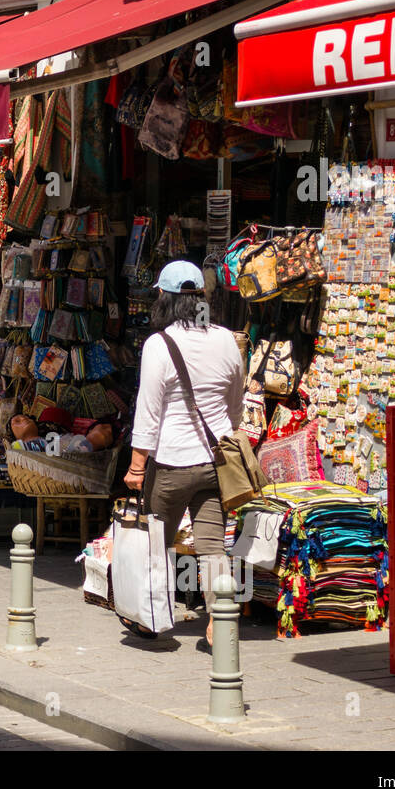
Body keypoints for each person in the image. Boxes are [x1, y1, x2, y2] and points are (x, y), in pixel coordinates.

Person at [123, 260, 244, 651]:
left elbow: (149, 411)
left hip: (172, 463)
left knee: (156, 542)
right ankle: (219, 618)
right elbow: (235, 403)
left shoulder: (159, 344)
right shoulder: (226, 339)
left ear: (165, 297)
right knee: (212, 548)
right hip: (215, 463)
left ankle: (151, 618)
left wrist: (136, 467)